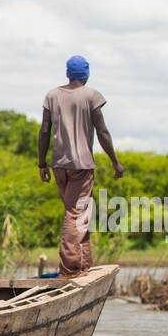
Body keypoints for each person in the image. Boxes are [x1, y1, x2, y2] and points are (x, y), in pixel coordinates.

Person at [37, 55, 123, 277]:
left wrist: (41, 163)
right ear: (86, 75)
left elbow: (44, 131)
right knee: (76, 215)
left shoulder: (52, 95)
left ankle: (82, 266)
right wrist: (115, 161)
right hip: (81, 166)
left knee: (79, 213)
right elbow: (102, 131)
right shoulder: (91, 95)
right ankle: (69, 268)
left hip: (59, 165)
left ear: (68, 73)